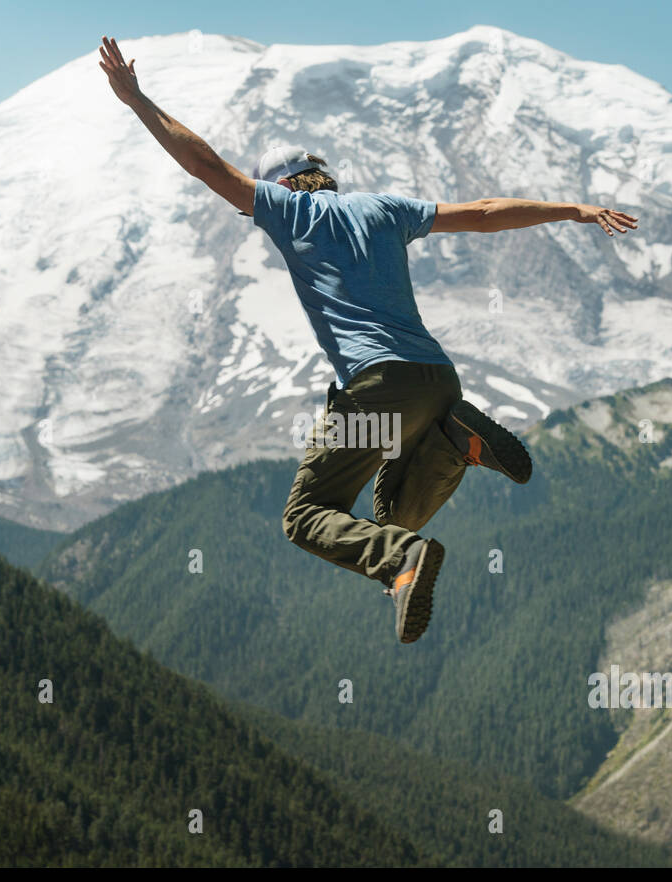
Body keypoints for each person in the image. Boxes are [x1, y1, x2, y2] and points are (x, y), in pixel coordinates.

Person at [98, 36, 638, 642]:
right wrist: (574, 211)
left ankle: (406, 554)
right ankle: (452, 443)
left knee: (305, 517)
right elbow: (485, 212)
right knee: (391, 519)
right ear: (325, 176)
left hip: (376, 389)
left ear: (279, 186)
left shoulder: (287, 212)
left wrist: (138, 101)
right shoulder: (384, 209)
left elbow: (203, 164)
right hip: (435, 381)